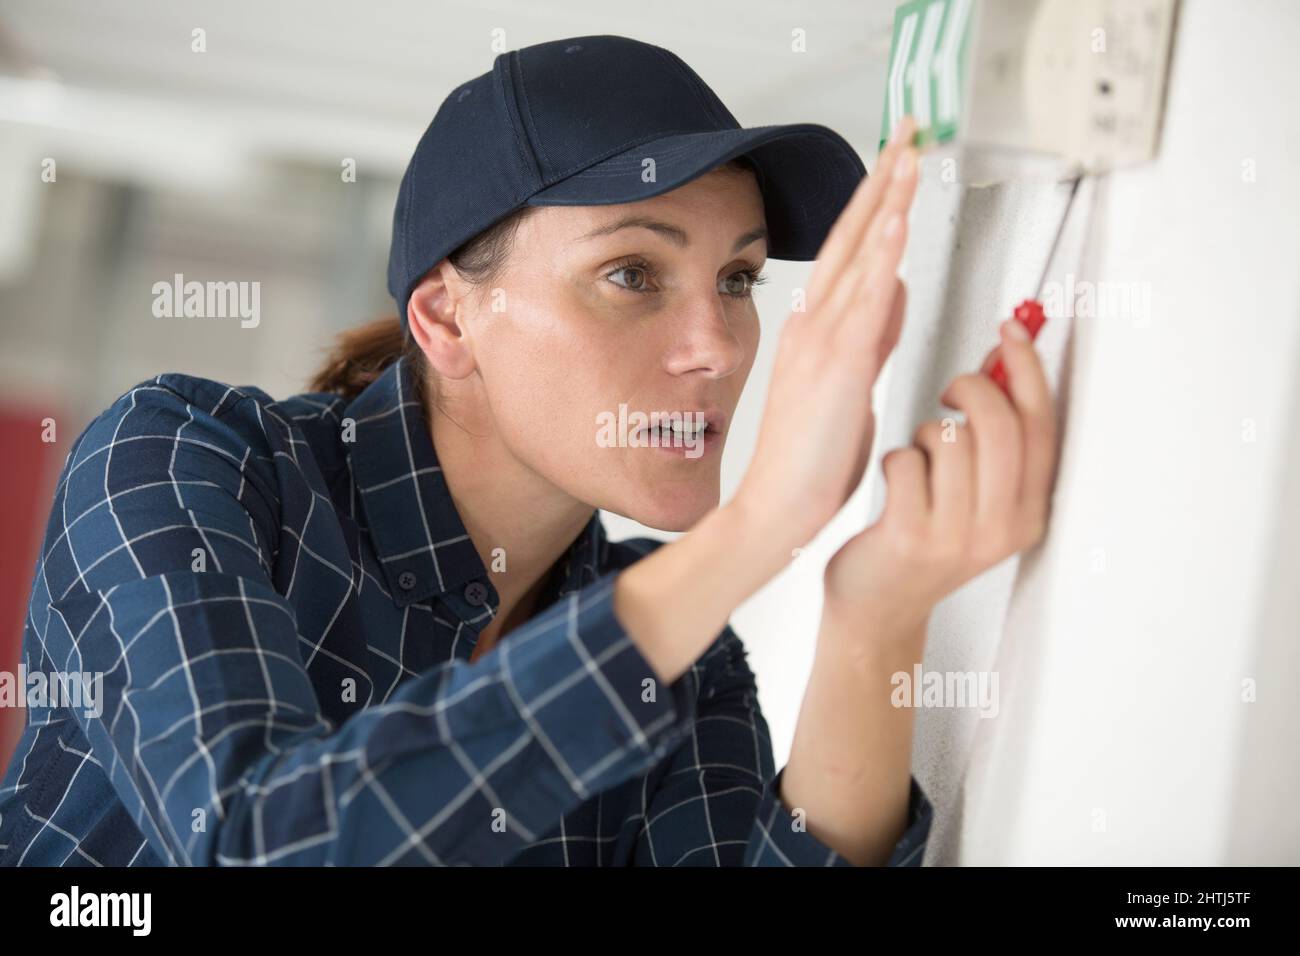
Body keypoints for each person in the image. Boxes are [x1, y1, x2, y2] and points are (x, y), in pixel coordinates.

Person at [0, 35, 1057, 867]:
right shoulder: (181, 463)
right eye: (633, 274)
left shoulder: (684, 652)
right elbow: (253, 840)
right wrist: (757, 525)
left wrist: (876, 613)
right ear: (447, 321)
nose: (717, 348)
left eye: (736, 280)